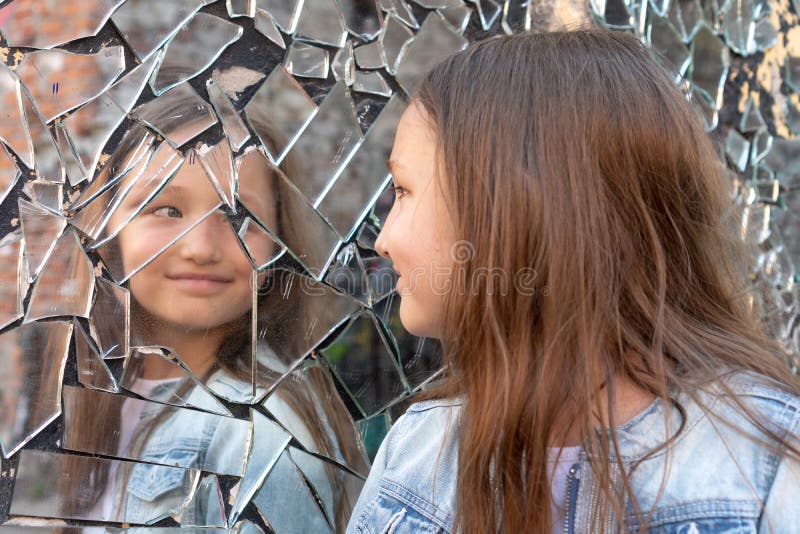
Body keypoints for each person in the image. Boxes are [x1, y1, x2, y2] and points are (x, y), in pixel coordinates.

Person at [347, 30, 800, 533]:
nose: (382, 241)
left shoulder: (766, 465)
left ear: (513, 206)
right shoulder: (416, 457)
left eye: (402, 190)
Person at [58, 127, 368, 530]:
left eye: (239, 217)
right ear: (107, 229)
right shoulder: (97, 386)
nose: (201, 248)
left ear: (279, 247)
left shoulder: (257, 438)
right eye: (167, 209)